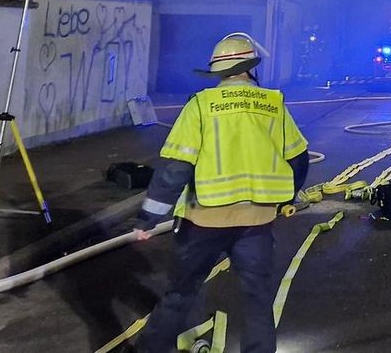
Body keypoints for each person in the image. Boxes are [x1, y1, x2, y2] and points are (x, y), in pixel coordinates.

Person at [131, 33, 309, 353]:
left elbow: (176, 168)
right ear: (250, 68)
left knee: (180, 295)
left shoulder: (200, 105)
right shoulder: (273, 105)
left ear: (218, 71)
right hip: (256, 220)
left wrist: (148, 218)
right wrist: (285, 199)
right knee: (257, 301)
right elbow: (298, 159)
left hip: (203, 221)